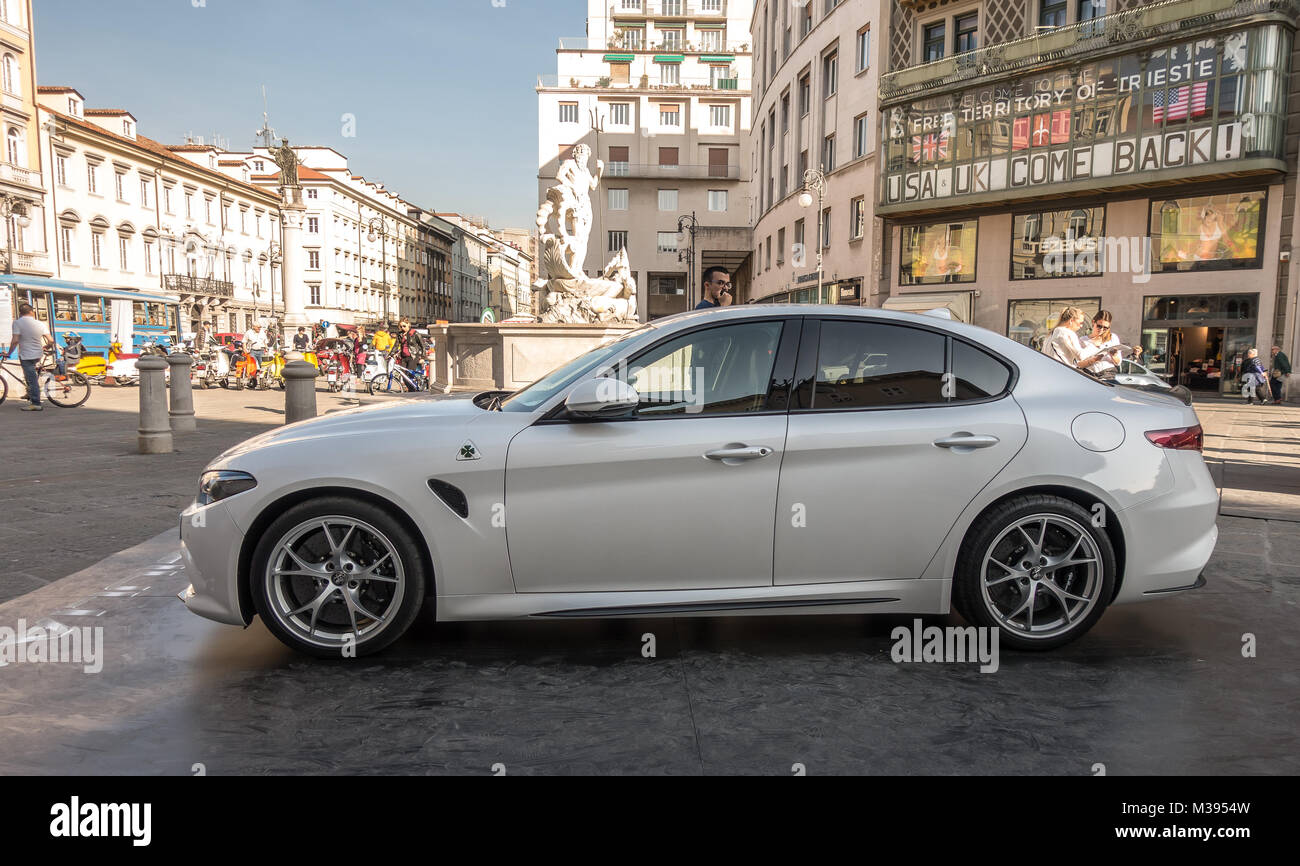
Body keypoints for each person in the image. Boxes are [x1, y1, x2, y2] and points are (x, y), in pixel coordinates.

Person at [3, 303, 54, 411]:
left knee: (32, 379)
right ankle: (30, 393)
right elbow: (51, 340)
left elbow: (15, 340)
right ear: (32, 312)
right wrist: (47, 346)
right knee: (29, 375)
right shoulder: (40, 323)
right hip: (38, 354)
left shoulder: (17, 323)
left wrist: (9, 353)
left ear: (20, 313)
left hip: (26, 355)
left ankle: (36, 403)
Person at [1080, 309, 1123, 376]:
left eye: (1105, 328)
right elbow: (1079, 364)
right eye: (1099, 326)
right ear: (1093, 322)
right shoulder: (1083, 340)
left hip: (1108, 372)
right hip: (1090, 373)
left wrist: (1113, 356)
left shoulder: (1113, 338)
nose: (1101, 330)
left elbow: (1118, 362)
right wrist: (1094, 359)